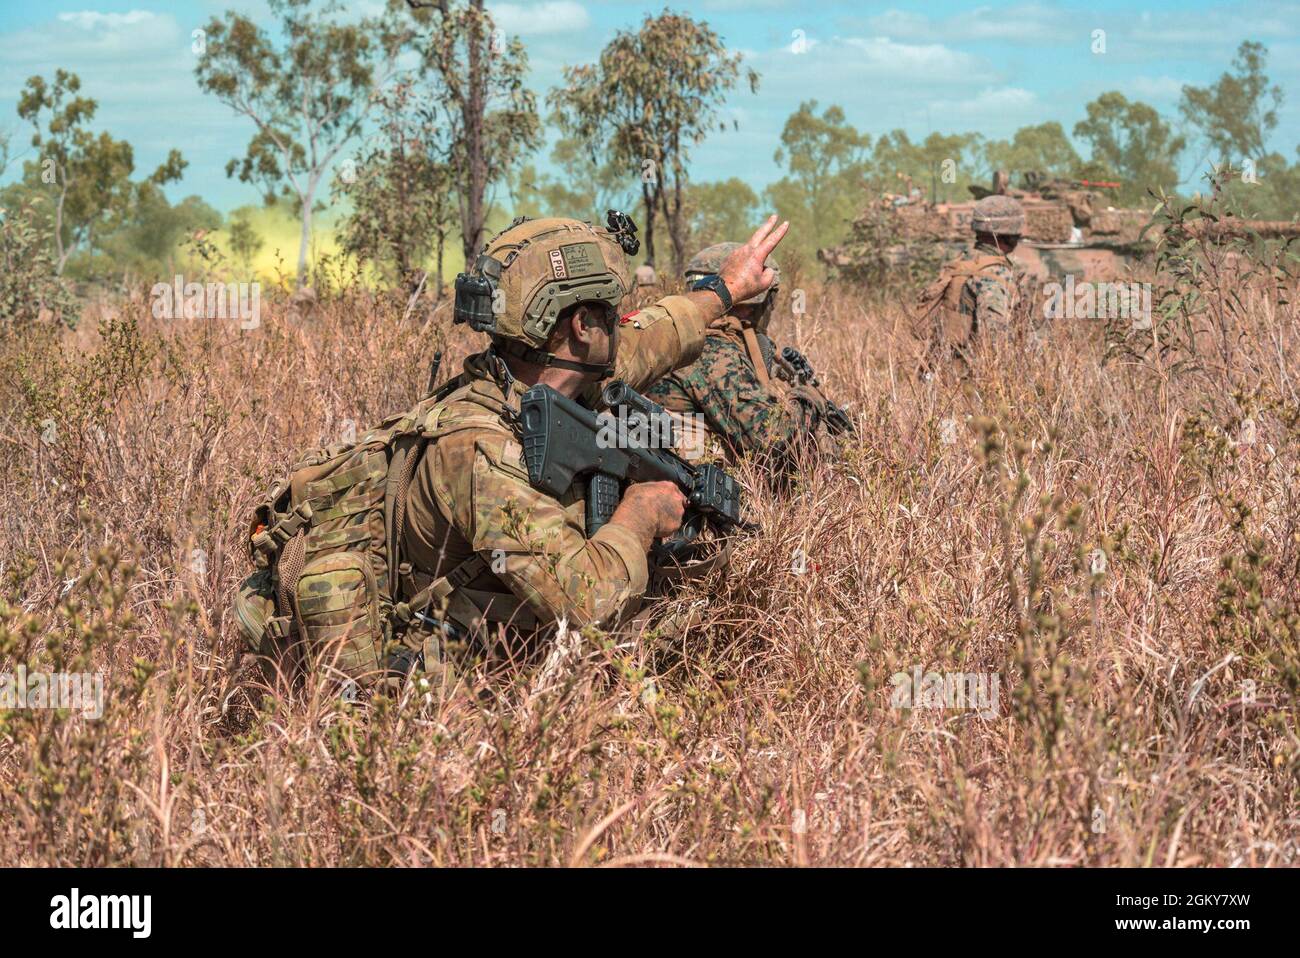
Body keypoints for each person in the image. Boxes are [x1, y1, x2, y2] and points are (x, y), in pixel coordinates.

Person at [395, 214, 788, 664]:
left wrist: (726, 289)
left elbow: (658, 331)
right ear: (583, 325)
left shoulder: (558, 378)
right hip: (476, 685)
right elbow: (585, 609)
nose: (624, 326)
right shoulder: (482, 448)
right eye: (613, 314)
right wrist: (640, 516)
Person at [645, 242, 841, 475]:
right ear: (751, 303)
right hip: (672, 486)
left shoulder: (686, 335)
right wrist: (809, 397)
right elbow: (770, 438)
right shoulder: (711, 349)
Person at [918, 194, 1028, 369]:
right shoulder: (994, 274)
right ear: (1009, 234)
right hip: (970, 378)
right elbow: (996, 340)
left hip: (941, 368)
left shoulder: (960, 262)